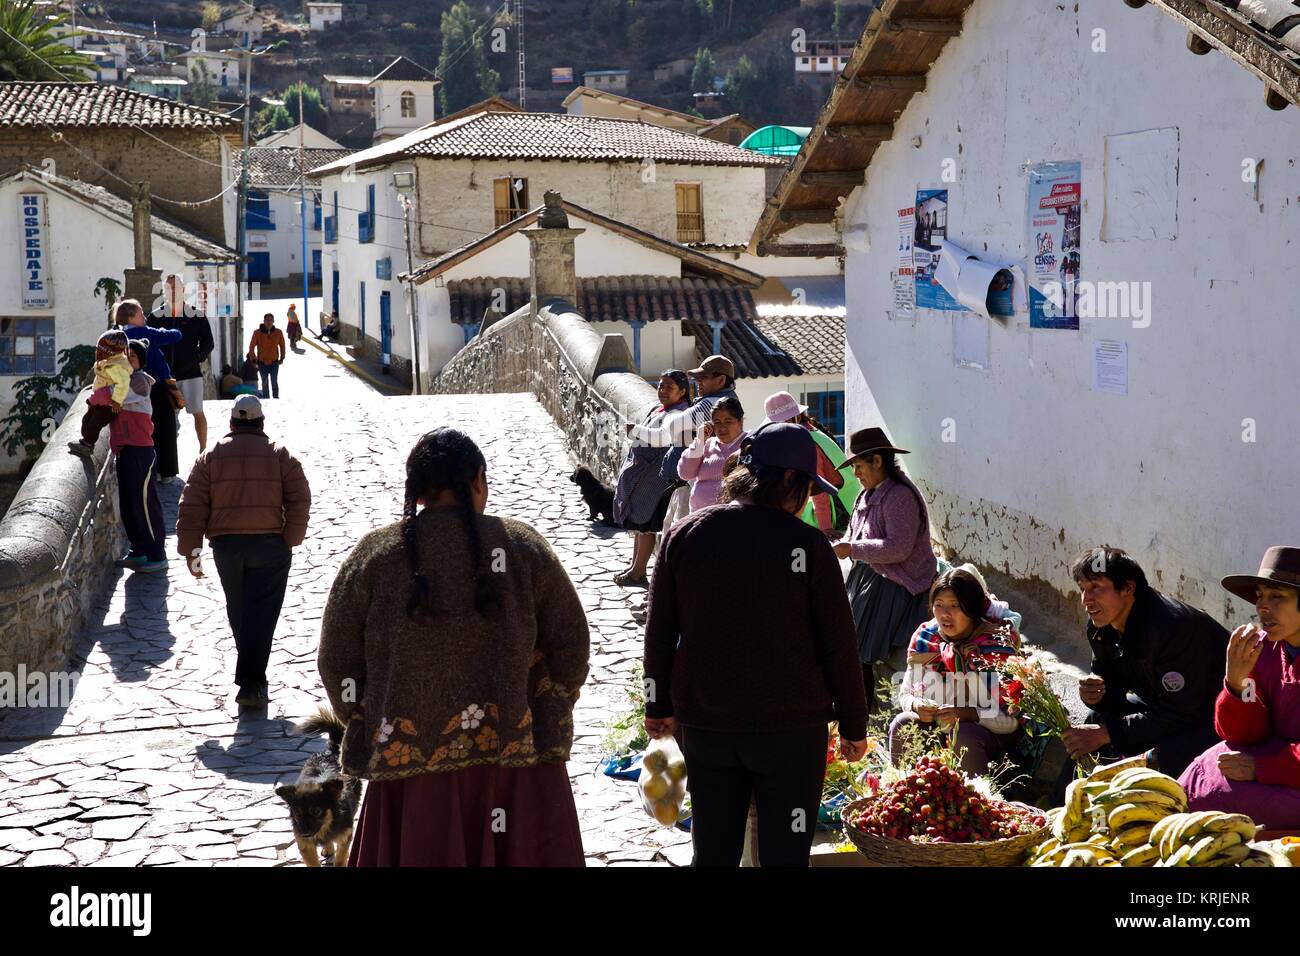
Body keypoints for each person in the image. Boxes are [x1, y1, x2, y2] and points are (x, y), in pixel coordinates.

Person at [318, 428, 590, 866]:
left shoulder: (376, 555)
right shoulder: (521, 546)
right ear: (478, 478)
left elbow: (337, 660)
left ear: (417, 490)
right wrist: (546, 706)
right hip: (516, 764)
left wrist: (371, 719)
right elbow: (571, 645)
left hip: (410, 776)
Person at [643, 423, 868, 867]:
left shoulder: (685, 536)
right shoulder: (808, 546)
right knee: (786, 852)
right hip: (791, 731)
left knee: (713, 848)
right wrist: (854, 723)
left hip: (709, 727)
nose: (806, 500)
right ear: (788, 480)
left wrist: (657, 704)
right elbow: (839, 644)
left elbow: (660, 630)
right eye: (806, 487)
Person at [176, 394, 311, 709]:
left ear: (232, 422)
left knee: (239, 610)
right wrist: (290, 537)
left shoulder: (210, 457)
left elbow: (192, 505)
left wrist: (191, 551)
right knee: (262, 615)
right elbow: (300, 496)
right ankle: (252, 683)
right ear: (261, 422)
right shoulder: (280, 455)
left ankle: (250, 681)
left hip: (227, 547)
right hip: (271, 546)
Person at [1065, 547, 1228, 778]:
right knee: (1096, 720)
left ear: (1128, 588)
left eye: (1096, 588)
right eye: (1082, 589)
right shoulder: (1101, 628)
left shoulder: (1172, 628)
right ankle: (1061, 804)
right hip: (1164, 705)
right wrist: (1094, 694)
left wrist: (1107, 733)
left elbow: (1180, 712)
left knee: (1164, 755)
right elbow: (1111, 691)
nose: (1086, 600)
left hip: (1212, 718)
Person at [1179, 547, 1300, 827]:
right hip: (1273, 754)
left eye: (1276, 596)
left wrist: (1263, 769)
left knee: (1226, 801)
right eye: (1260, 596)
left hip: (1289, 769)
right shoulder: (1262, 648)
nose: (1262, 607)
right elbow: (1247, 736)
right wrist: (1237, 682)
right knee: (1204, 771)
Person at [832, 427, 937, 715]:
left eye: (859, 466)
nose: (856, 474)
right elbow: (857, 535)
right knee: (853, 652)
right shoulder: (867, 496)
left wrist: (852, 549)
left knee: (864, 654)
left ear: (878, 461)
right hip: (869, 580)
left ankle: (866, 716)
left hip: (898, 584)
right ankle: (859, 716)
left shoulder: (899, 496)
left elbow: (898, 548)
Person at [889, 567, 1023, 775]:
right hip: (938, 733)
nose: (945, 614)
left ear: (973, 609)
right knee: (904, 723)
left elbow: (1010, 720)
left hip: (986, 740)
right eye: (939, 605)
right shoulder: (926, 639)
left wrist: (967, 714)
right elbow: (905, 693)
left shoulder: (995, 646)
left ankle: (975, 801)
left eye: (955, 606)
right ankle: (905, 798)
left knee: (964, 735)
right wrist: (917, 705)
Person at [625, 354, 738, 552]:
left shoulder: (711, 404)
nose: (698, 382)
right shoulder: (725, 401)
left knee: (679, 540)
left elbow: (671, 429)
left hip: (694, 484)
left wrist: (637, 431)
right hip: (697, 481)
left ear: (720, 380)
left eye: (704, 378)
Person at [612, 370, 690, 588]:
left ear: (682, 392)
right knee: (639, 523)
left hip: (654, 479)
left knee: (645, 523)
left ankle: (638, 572)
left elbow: (662, 437)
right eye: (661, 386)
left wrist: (634, 430)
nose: (663, 391)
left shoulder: (678, 414)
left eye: (669, 387)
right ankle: (634, 566)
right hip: (645, 474)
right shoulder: (662, 409)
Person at [761, 391, 860, 537]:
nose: (781, 427)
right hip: (848, 500)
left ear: (797, 417)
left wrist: (825, 528)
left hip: (841, 507)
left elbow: (818, 487)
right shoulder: (810, 432)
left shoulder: (806, 442)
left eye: (784, 421)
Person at [110, 339, 168, 574]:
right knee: (129, 503)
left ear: (140, 362)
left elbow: (115, 398)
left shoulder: (140, 381)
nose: (127, 360)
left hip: (140, 450)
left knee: (145, 504)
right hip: (124, 450)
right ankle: (139, 549)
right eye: (124, 356)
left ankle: (157, 554)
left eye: (132, 357)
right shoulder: (123, 380)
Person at [117, 299, 184, 483]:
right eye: (140, 314)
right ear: (131, 317)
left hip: (133, 387)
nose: (144, 316)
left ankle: (151, 471)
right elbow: (175, 335)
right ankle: (167, 471)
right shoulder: (146, 333)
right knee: (165, 428)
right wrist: (162, 331)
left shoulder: (119, 336)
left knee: (146, 429)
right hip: (158, 385)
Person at [67, 329, 131, 459]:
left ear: (108, 352)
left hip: (109, 405)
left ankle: (87, 445)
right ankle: (85, 440)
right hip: (101, 401)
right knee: (87, 420)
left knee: (94, 424)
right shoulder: (108, 362)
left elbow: (123, 384)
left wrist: (116, 401)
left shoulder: (115, 366)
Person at [677, 396, 746, 513]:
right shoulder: (707, 444)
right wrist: (699, 441)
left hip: (732, 516)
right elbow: (685, 473)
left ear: (740, 422)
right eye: (717, 422)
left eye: (728, 421)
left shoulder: (749, 444)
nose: (722, 427)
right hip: (698, 515)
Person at [163, 305, 215, 453]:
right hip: (166, 376)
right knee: (168, 416)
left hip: (191, 373)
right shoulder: (157, 316)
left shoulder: (196, 315)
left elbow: (208, 341)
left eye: (176, 287)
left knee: (197, 411)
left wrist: (197, 357)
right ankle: (170, 454)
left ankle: (203, 450)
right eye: (169, 288)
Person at [248, 313, 286, 400]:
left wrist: (282, 357)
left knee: (274, 381)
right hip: (262, 362)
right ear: (264, 321)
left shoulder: (278, 332)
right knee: (264, 382)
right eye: (267, 320)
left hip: (274, 362)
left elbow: (282, 345)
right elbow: (251, 347)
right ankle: (266, 399)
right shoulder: (257, 333)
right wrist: (253, 359)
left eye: (270, 320)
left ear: (273, 321)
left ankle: (276, 398)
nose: (269, 322)